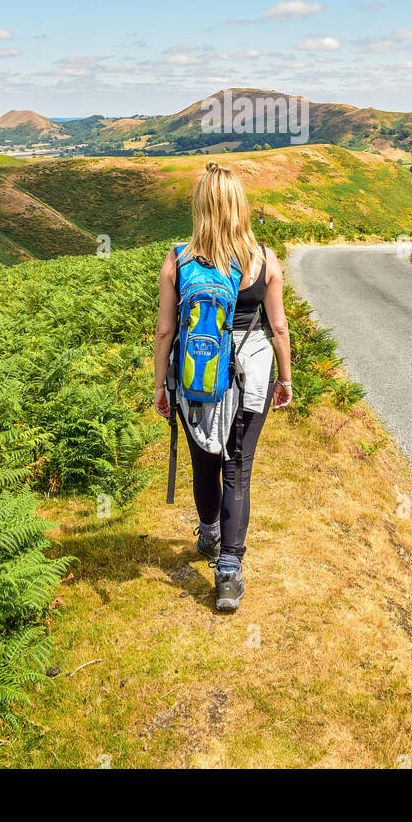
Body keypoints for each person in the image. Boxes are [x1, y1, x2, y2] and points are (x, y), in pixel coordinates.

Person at [153, 161, 292, 611]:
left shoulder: (179, 259)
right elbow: (280, 326)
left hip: (197, 375)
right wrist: (285, 378)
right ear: (240, 207)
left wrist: (160, 384)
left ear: (199, 208)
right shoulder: (265, 259)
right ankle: (229, 572)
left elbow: (164, 332)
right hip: (252, 373)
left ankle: (210, 533)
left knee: (205, 461)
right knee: (238, 466)